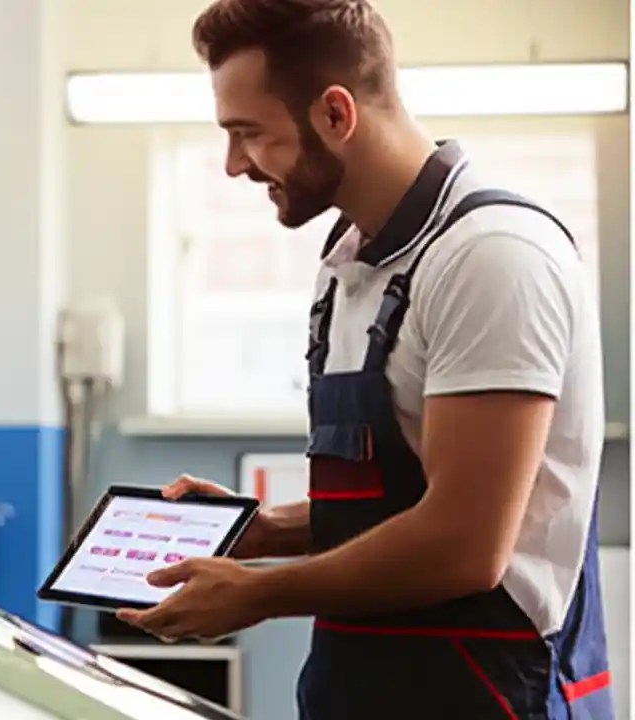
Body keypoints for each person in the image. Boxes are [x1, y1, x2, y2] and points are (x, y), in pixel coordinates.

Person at [116, 1, 613, 718]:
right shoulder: (352, 264)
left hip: (490, 695)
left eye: (247, 134)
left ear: (335, 114)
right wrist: (262, 528)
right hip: (366, 689)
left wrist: (258, 592)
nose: (232, 166)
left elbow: (463, 543)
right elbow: (398, 497)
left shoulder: (492, 257)